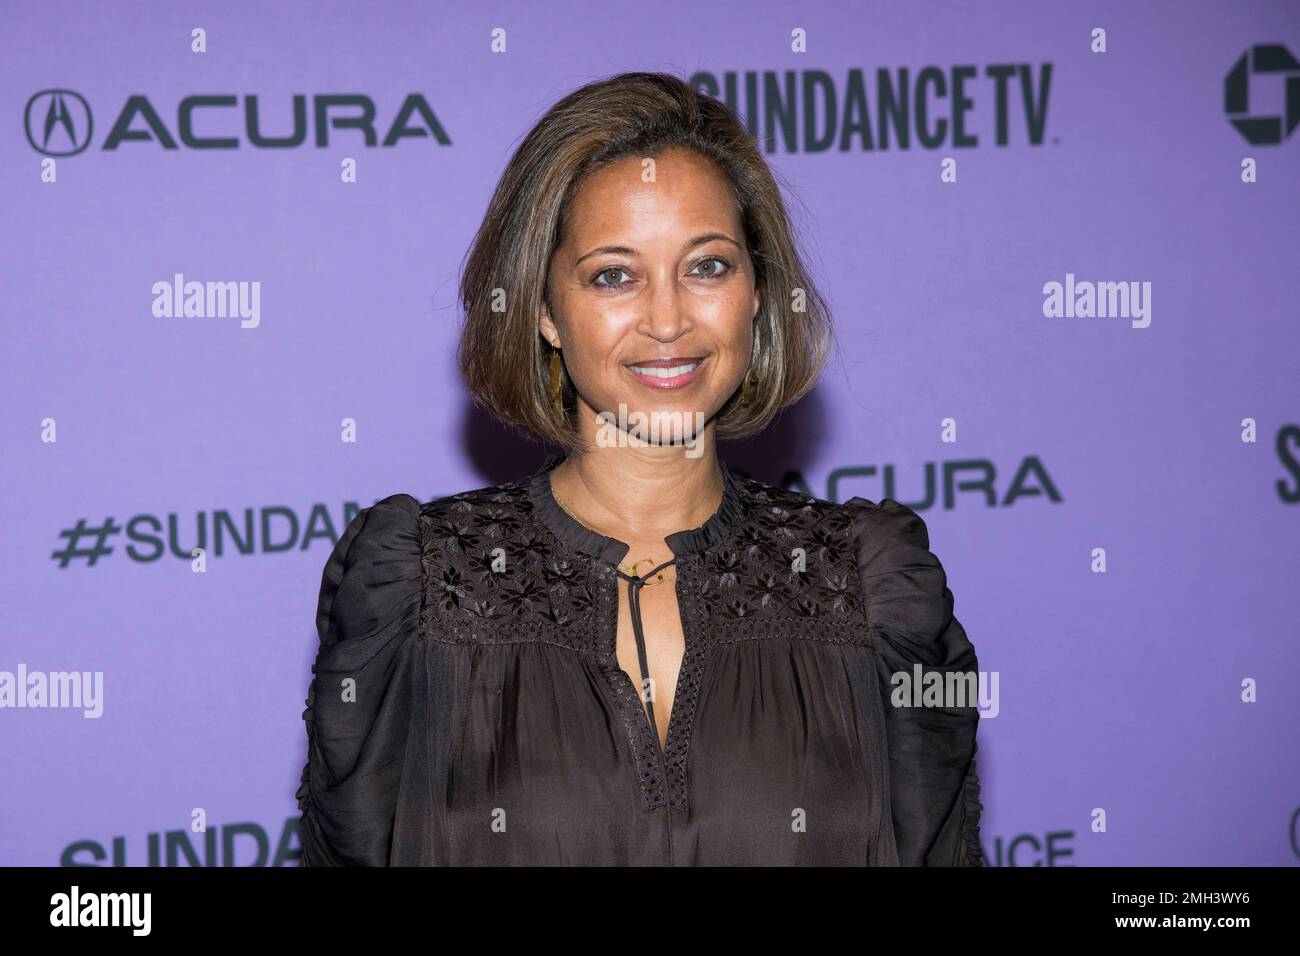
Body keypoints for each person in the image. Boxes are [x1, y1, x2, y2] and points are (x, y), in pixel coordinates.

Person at [297, 71, 982, 866]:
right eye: (613, 275)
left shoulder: (874, 586)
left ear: (758, 294)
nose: (667, 320)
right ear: (544, 309)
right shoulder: (417, 586)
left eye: (708, 266)